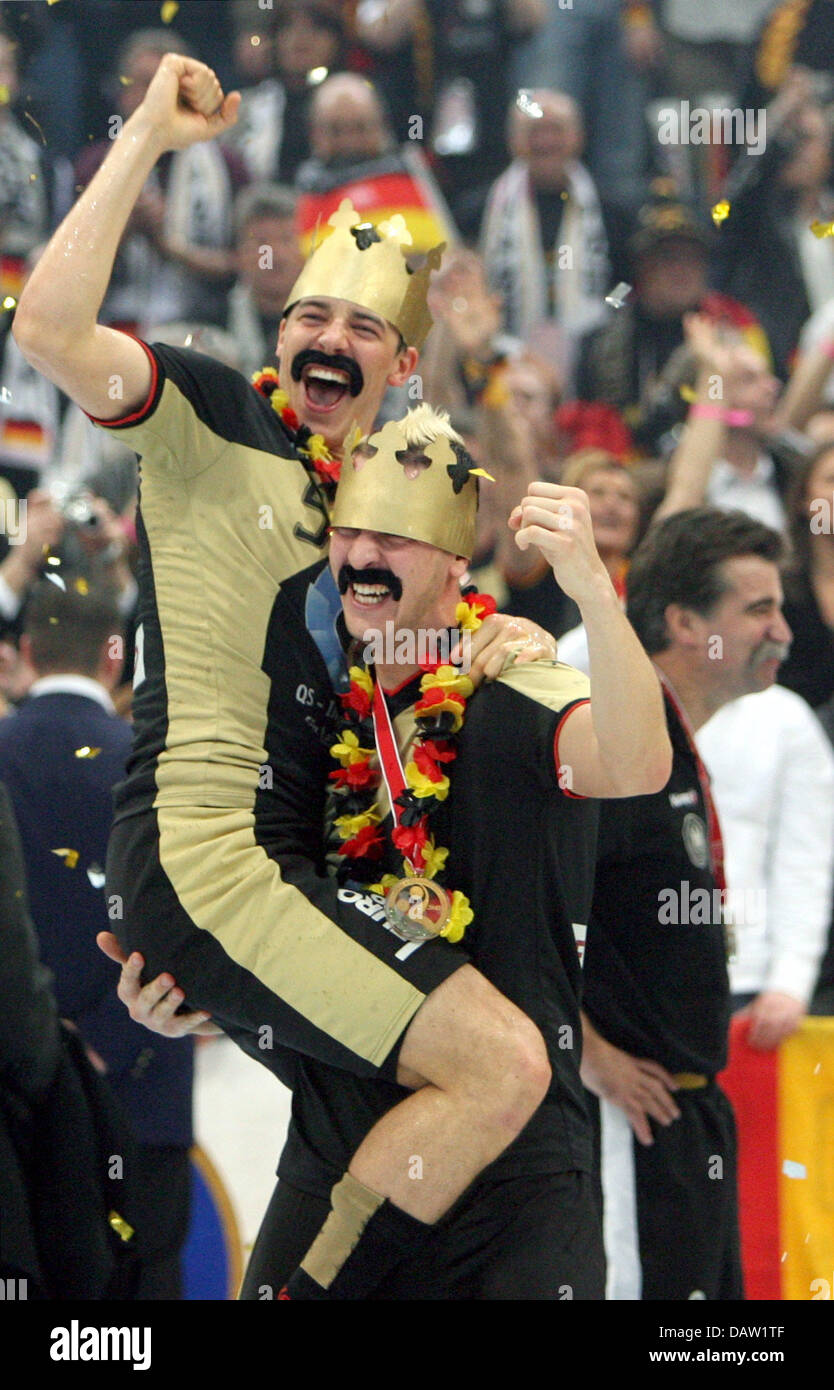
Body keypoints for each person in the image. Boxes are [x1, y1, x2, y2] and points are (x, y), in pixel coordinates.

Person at [14, 52, 558, 1304]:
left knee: (379, 1111)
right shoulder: (212, 416)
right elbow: (46, 330)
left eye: (364, 327)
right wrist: (148, 131)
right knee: (501, 1066)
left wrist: (507, 642)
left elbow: (422, 661)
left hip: (281, 872)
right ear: (277, 334)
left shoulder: (371, 519)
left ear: (396, 373)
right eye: (311, 316)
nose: (329, 338)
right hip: (214, 856)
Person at [227, 401, 671, 1298]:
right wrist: (188, 998)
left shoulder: (514, 680)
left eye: (395, 536)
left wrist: (590, 590)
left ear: (456, 563)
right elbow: (265, 903)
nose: (362, 554)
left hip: (514, 1183)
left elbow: (635, 761)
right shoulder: (313, 719)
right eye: (349, 531)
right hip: (343, 1143)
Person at [580, 505, 791, 1300]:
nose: (783, 630)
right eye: (759, 610)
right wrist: (592, 1054)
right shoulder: (612, 739)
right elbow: (528, 907)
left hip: (691, 1113)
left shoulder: (673, 738)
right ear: (683, 622)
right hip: (624, 1122)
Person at [0, 579, 194, 1298]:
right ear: (115, 660)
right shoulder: (159, 765)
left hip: (21, 1105)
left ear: (26, 651)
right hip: (142, 1096)